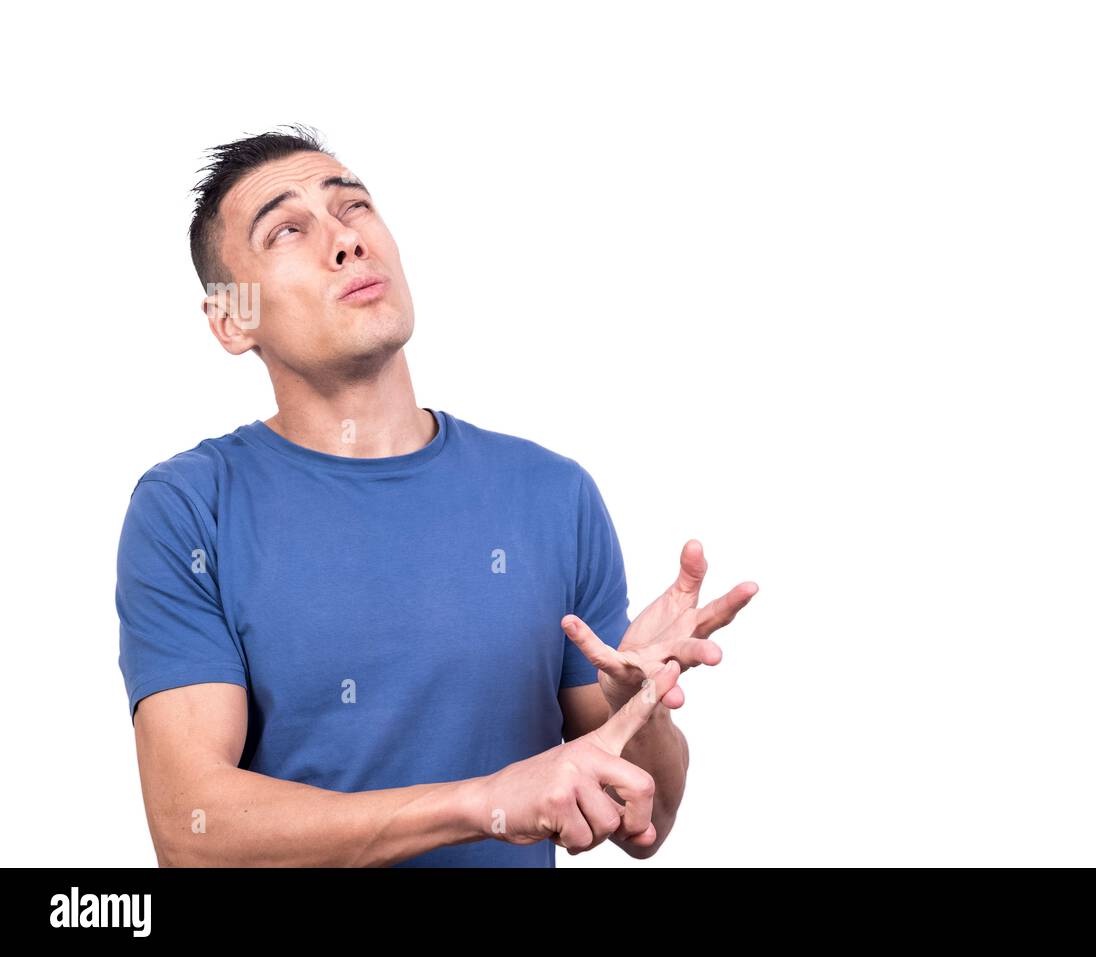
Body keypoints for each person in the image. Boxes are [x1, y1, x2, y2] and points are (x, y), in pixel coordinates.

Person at [115, 124, 759, 866]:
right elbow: (191, 828)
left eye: (353, 207)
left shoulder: (553, 494)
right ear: (232, 319)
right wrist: (484, 801)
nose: (345, 240)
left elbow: (646, 820)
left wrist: (638, 709)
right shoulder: (190, 509)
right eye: (288, 230)